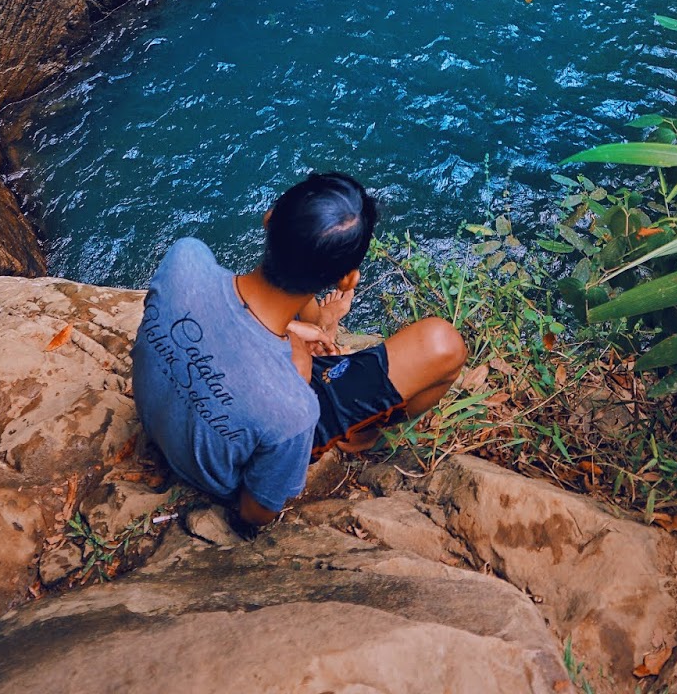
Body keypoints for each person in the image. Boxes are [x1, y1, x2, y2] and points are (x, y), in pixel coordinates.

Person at [131, 171, 467, 531]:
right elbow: (254, 514)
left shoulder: (186, 257)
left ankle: (322, 325)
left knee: (308, 319)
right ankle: (361, 437)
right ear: (348, 278)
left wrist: (291, 330)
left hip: (153, 417)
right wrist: (299, 370)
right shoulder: (295, 410)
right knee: (442, 343)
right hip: (216, 470)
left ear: (269, 217)